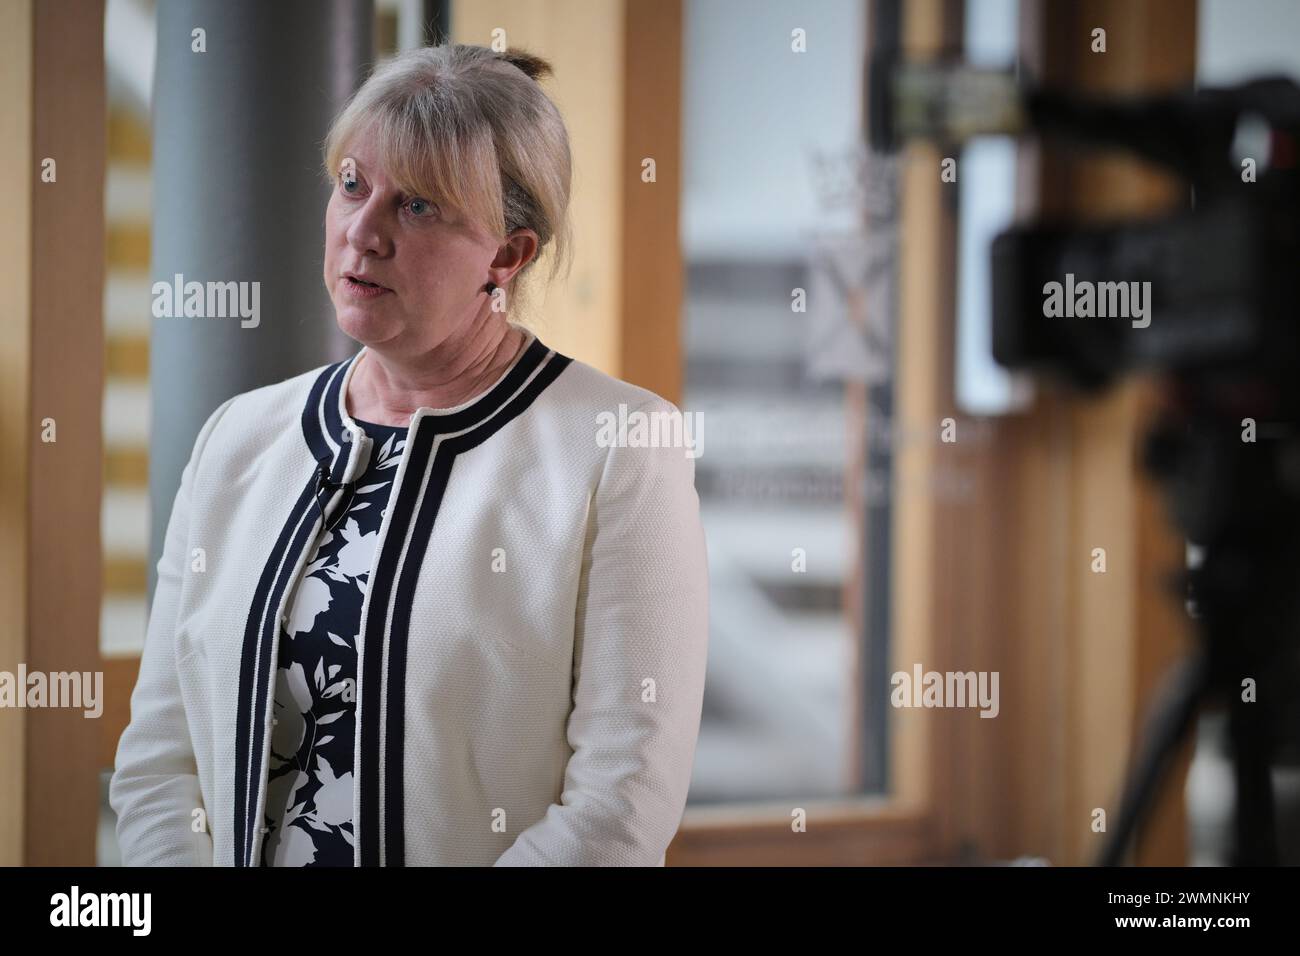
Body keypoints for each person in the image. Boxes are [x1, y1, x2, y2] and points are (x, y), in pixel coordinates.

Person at [109, 43, 709, 867]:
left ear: (508, 254)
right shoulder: (237, 439)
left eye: (420, 207)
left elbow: (621, 802)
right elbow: (159, 760)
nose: (363, 231)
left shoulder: (620, 449)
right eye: (353, 185)